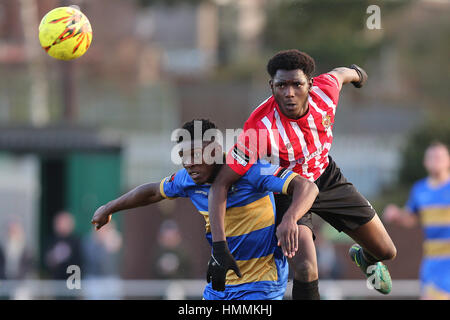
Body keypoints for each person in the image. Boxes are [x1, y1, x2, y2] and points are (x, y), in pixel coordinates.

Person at [207, 49, 397, 299]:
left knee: (386, 251)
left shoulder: (326, 91)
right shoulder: (259, 128)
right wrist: (219, 246)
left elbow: (342, 74)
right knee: (307, 268)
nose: (289, 92)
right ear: (271, 85)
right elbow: (221, 184)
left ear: (310, 83)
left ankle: (364, 257)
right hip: (288, 192)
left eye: (296, 84)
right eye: (281, 85)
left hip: (326, 178)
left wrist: (359, 75)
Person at [91, 119, 318, 300]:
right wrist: (108, 208)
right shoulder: (188, 180)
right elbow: (152, 192)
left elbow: (307, 187)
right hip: (219, 285)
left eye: (195, 154)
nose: (188, 163)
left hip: (261, 284)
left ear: (216, 150)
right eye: (183, 157)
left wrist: (290, 218)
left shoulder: (252, 170)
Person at [383, 141, 450, 299]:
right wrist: (396, 215)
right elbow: (411, 219)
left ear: (448, 160)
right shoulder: (419, 190)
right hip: (432, 259)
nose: (436, 160)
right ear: (425, 162)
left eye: (440, 156)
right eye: (432, 157)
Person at [44, 211, 83, 280]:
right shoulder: (52, 241)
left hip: (73, 280)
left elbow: (80, 261)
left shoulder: (76, 241)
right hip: (56, 280)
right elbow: (47, 261)